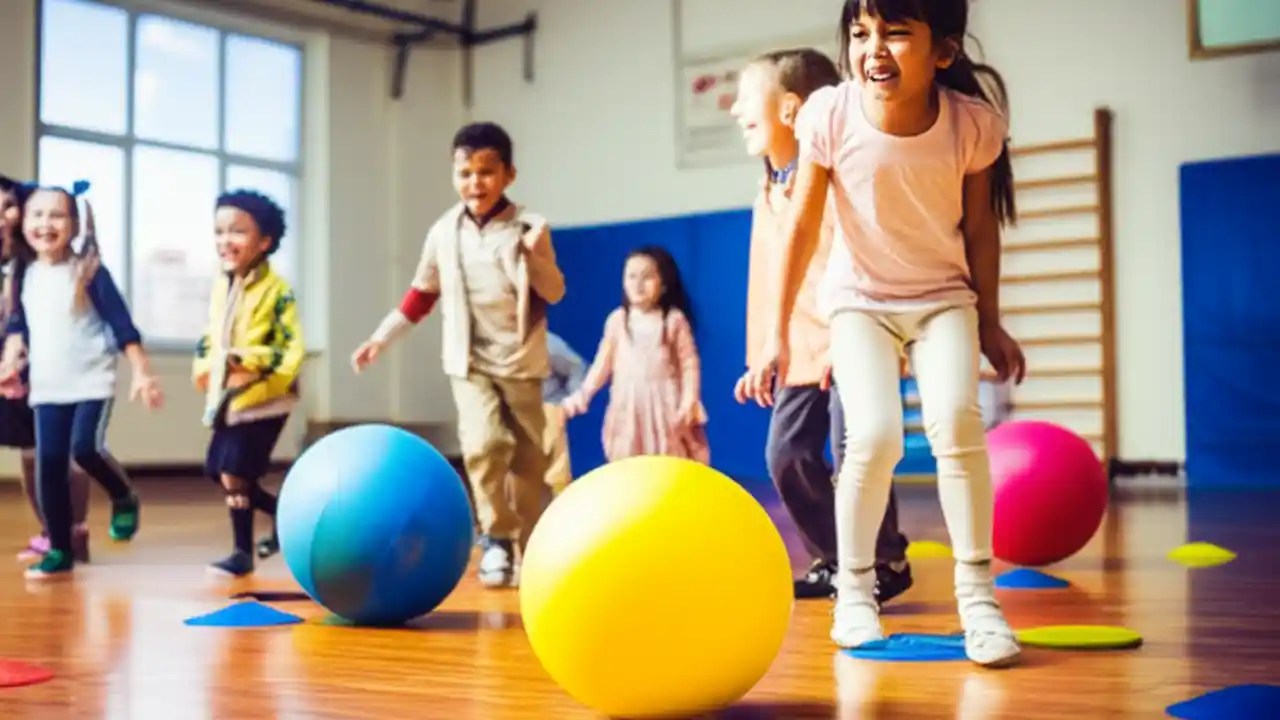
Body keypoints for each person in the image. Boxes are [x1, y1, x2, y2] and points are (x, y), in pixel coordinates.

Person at [746, 0, 1026, 667]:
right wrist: (777, 337)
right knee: (870, 438)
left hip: (941, 299)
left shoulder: (972, 126)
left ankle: (979, 599)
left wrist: (989, 320)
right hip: (859, 303)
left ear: (943, 53)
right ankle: (855, 593)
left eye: (897, 34)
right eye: (862, 32)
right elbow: (803, 228)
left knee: (957, 427)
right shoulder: (830, 114)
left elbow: (981, 231)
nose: (874, 48)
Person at [729, 48, 912, 603]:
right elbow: (768, 281)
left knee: (855, 450)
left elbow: (868, 260)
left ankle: (884, 559)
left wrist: (857, 340)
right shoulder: (768, 186)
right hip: (798, 352)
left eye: (745, 99)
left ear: (790, 110)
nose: (736, 111)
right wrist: (764, 348)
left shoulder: (837, 180)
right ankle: (833, 557)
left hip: (851, 340)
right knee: (786, 457)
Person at [352, 122, 565, 589]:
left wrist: (535, 257)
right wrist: (380, 339)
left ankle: (539, 545)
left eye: (486, 172)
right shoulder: (443, 231)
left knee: (530, 460)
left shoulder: (530, 227)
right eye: (465, 172)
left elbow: (555, 291)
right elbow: (421, 294)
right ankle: (496, 537)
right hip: (469, 363)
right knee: (484, 446)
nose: (475, 183)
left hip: (521, 361)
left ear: (509, 174)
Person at [0, 184, 162, 579]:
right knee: (50, 465)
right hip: (48, 385)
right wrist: (9, 361)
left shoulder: (88, 271)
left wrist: (141, 370)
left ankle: (123, 495)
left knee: (85, 449)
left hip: (92, 379)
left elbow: (123, 326)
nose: (45, 224)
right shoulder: (24, 274)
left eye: (57, 215)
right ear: (25, 225)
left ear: (74, 225)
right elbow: (20, 325)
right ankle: (59, 549)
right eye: (37, 215)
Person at [195, 189, 304, 578]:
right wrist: (203, 367)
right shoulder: (222, 284)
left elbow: (291, 349)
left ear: (265, 242)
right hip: (230, 394)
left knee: (236, 473)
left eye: (238, 231)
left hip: (267, 396)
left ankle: (242, 553)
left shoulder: (278, 291)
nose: (226, 240)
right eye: (219, 231)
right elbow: (211, 336)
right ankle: (284, 515)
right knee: (215, 469)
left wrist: (251, 360)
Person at [0, 174, 92, 563]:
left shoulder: (35, 256)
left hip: (47, 365)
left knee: (55, 451)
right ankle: (51, 529)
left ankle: (73, 530)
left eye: (8, 205)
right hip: (9, 370)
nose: (2, 216)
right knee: (29, 450)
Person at [561, 246, 709, 465]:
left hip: (663, 407)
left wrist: (689, 399)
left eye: (647, 276)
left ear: (664, 284)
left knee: (667, 462)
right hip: (628, 408)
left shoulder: (672, 320)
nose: (638, 284)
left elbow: (689, 363)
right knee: (628, 461)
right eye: (631, 276)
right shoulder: (618, 321)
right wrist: (582, 395)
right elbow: (602, 365)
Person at [540, 331, 585, 495]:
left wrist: (569, 402)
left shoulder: (546, 342)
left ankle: (561, 502)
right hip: (515, 408)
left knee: (557, 469)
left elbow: (576, 367)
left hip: (547, 404)